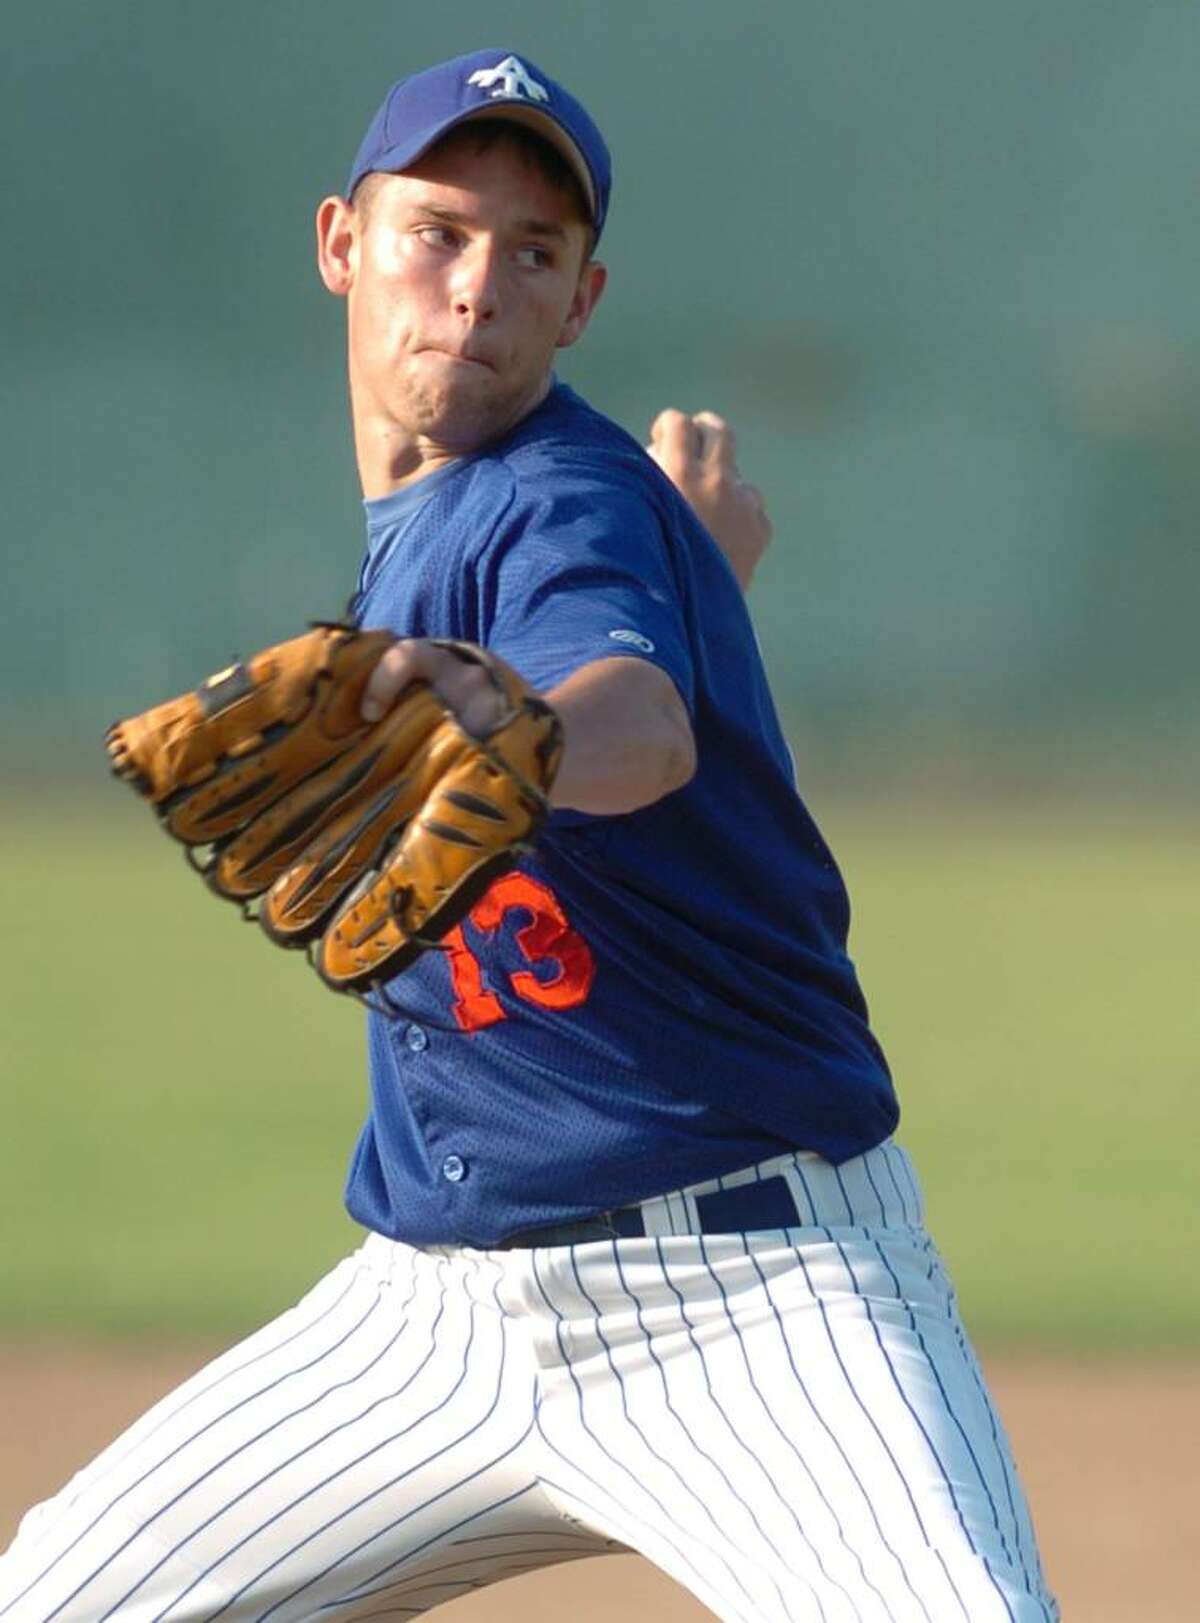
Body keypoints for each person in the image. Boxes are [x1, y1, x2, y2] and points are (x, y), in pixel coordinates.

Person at [0, 48, 1058, 1622]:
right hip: (428, 1322)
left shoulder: (560, 501)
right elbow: (629, 636)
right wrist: (698, 581)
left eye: (534, 252)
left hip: (749, 1297)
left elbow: (633, 720)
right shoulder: (485, 526)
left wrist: (525, 717)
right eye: (440, 229)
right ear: (340, 244)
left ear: (582, 302)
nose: (480, 282)